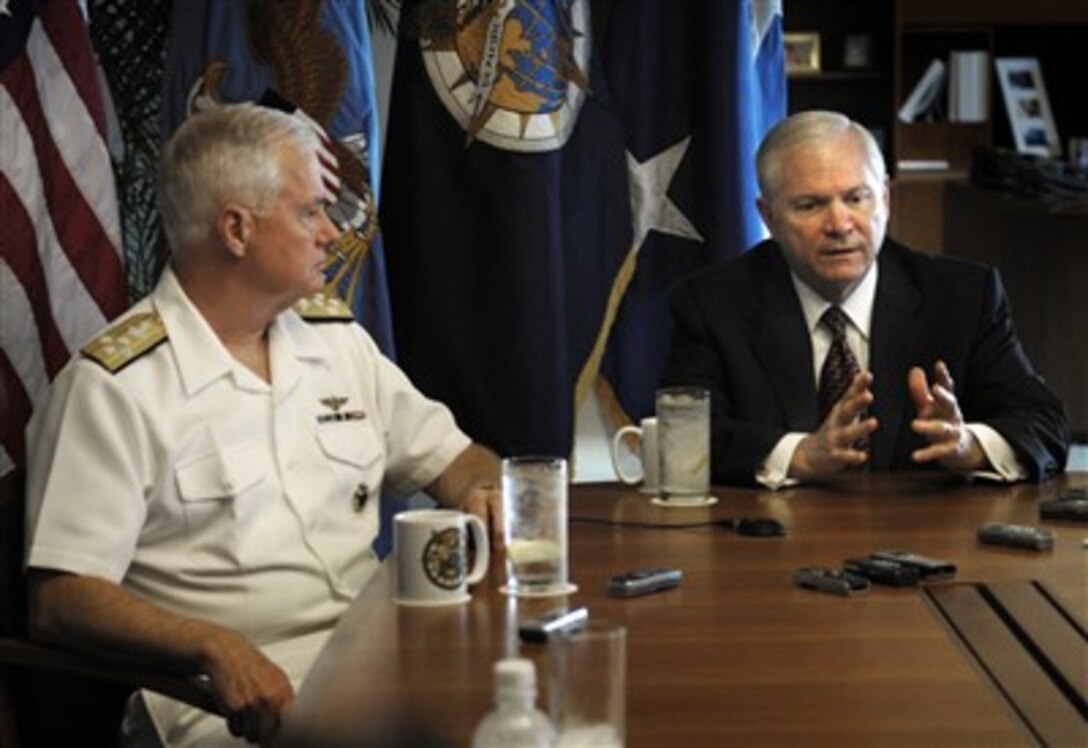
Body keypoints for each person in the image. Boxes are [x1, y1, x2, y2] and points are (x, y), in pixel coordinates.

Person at [23, 104, 504, 746]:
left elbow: (458, 459)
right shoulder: (115, 388)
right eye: (310, 212)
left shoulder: (336, 342)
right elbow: (61, 598)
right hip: (234, 698)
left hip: (380, 658)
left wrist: (483, 492)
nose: (332, 233)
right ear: (236, 230)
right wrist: (210, 644)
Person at [662, 109, 1068, 488]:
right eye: (810, 205)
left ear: (885, 200)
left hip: (925, 533)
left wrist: (968, 446)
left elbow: (1043, 425)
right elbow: (683, 436)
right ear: (768, 216)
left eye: (856, 198)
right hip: (773, 532)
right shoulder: (712, 303)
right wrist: (800, 455)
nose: (840, 224)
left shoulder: (963, 296)